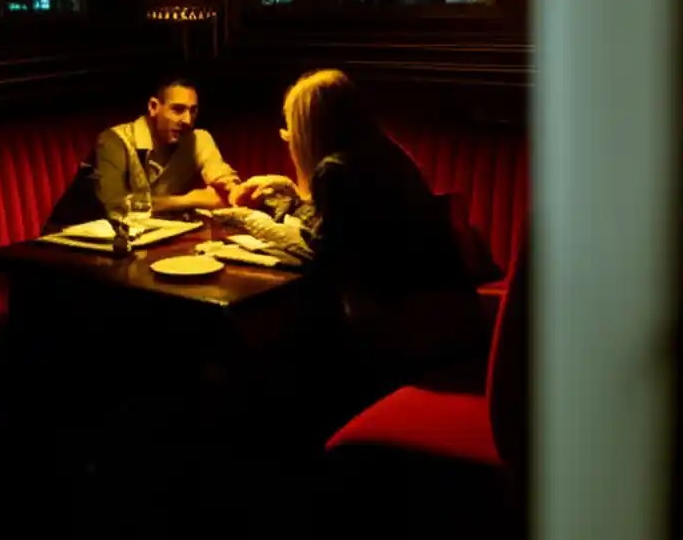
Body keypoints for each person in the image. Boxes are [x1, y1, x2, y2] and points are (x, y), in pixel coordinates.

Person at [229, 68, 486, 378]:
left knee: (280, 345)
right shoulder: (384, 153)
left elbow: (319, 253)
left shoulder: (335, 169)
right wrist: (291, 193)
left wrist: (249, 221)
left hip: (410, 329)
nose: (290, 139)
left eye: (292, 130)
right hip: (453, 316)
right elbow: (342, 228)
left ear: (309, 129)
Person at [45, 77, 240, 230]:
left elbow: (223, 180)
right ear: (153, 107)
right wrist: (189, 200)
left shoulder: (198, 138)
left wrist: (233, 190)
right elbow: (117, 209)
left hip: (141, 239)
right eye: (178, 110)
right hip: (72, 241)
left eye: (193, 111)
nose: (187, 120)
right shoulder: (114, 141)